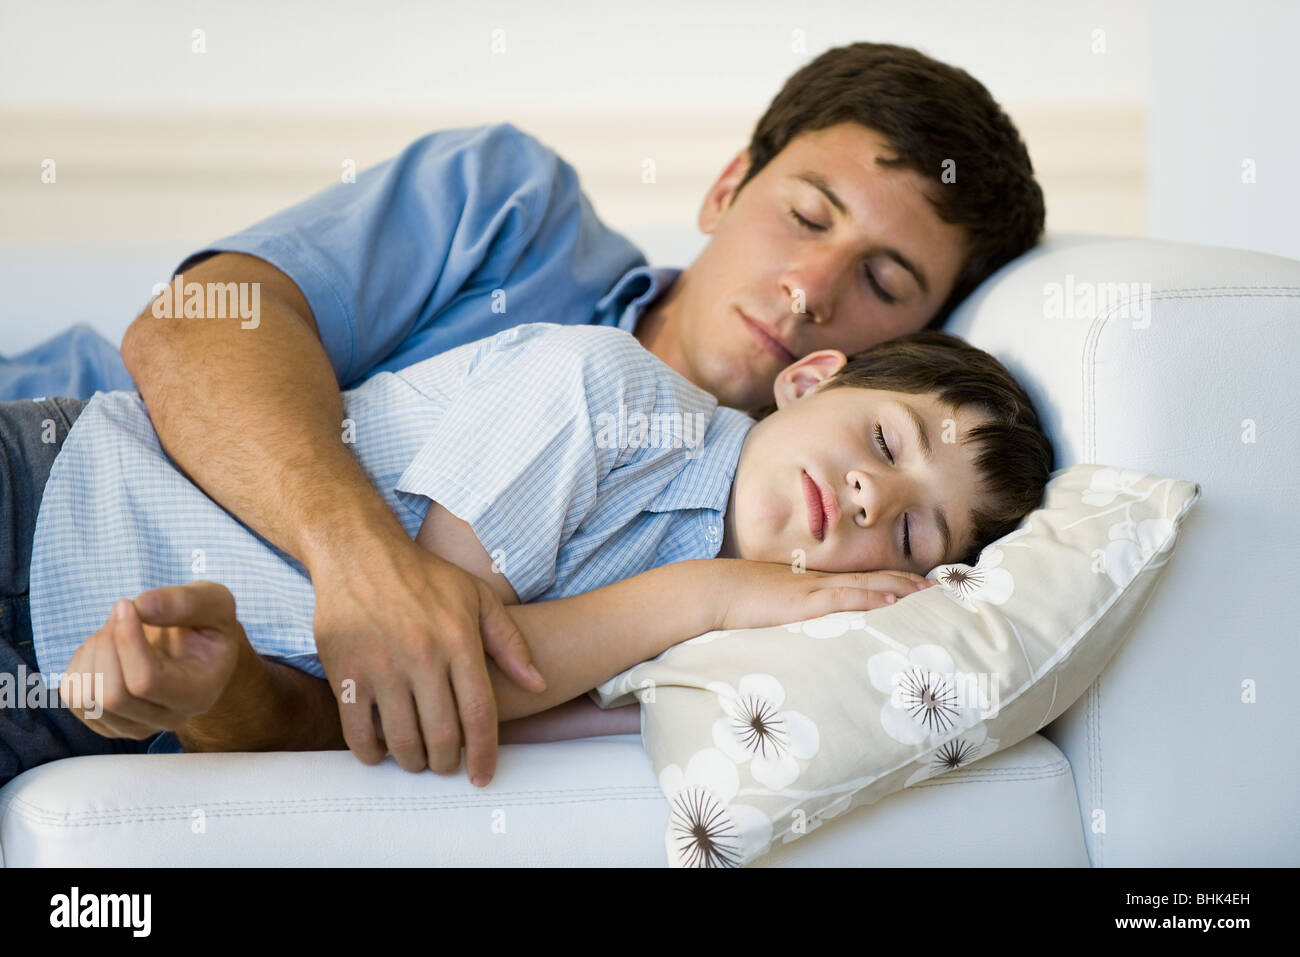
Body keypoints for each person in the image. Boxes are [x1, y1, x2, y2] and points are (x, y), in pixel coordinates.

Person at [0, 42, 1046, 787]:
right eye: (805, 215)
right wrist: (368, 565)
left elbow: (382, 714)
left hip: (114, 670)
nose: (810, 287)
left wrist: (230, 696)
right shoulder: (514, 216)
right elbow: (189, 326)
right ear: (728, 186)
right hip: (52, 480)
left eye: (886, 278)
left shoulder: (762, 583)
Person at [5, 320, 1053, 789]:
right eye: (881, 443)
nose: (872, 498)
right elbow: (417, 655)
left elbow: (435, 728)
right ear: (808, 379)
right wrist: (704, 593)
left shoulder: (736, 645)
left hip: (116, 695)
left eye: (911, 531)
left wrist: (721, 610)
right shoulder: (608, 393)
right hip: (54, 503)